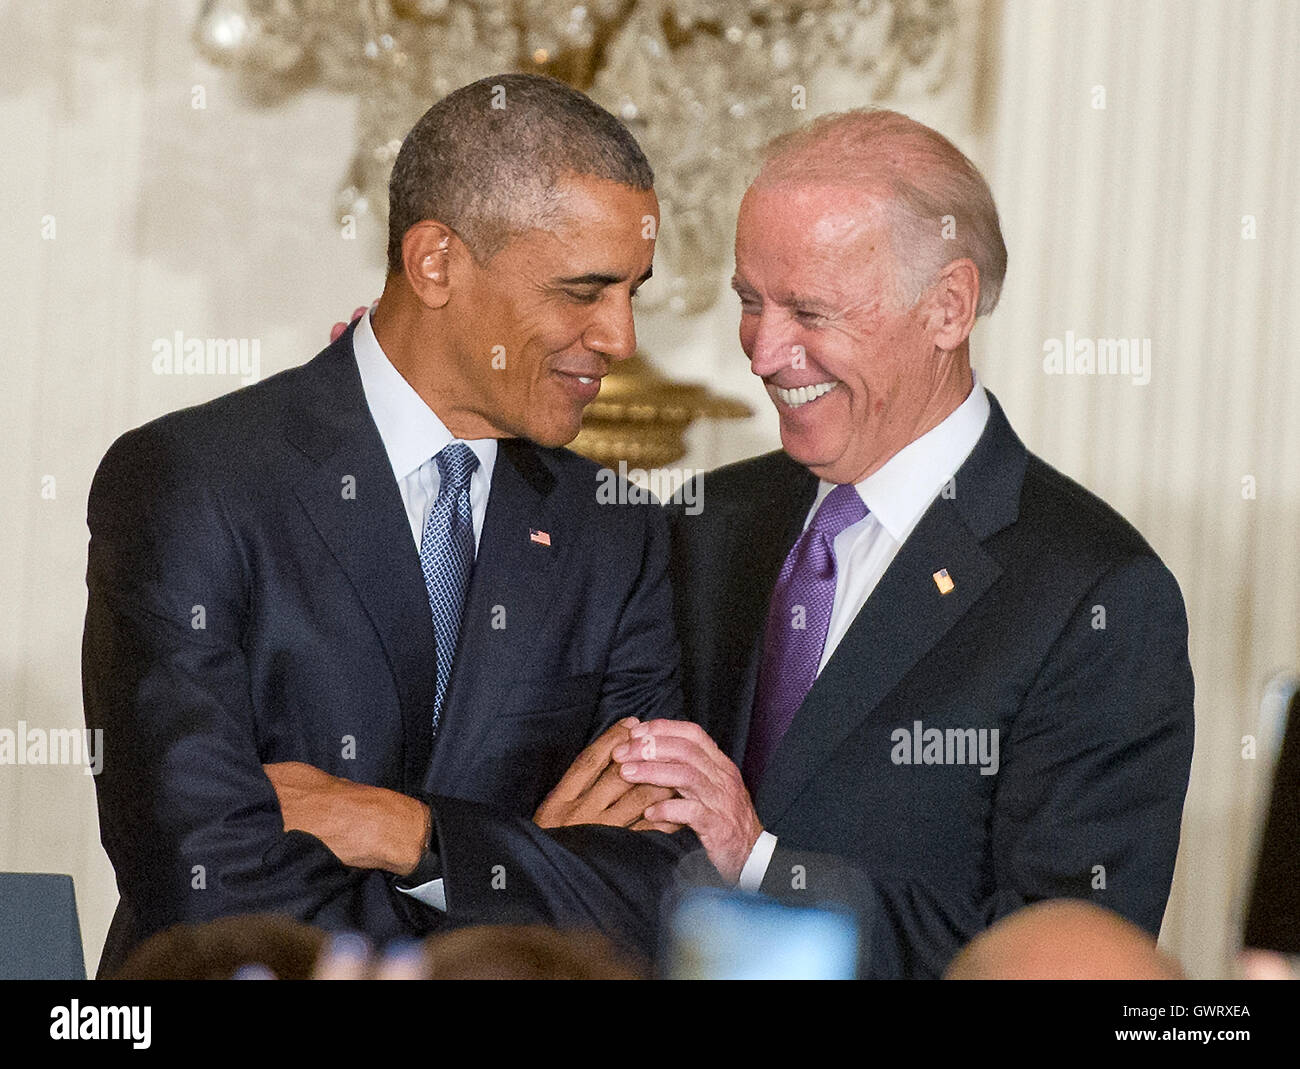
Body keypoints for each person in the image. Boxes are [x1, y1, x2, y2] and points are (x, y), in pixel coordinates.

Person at [82, 73, 689, 978]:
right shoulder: (192, 482)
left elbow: (652, 894)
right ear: (436, 261)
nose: (621, 337)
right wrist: (512, 884)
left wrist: (415, 834)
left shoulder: (618, 533)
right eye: (584, 290)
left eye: (633, 290)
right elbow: (203, 879)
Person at [613, 109, 1196, 977]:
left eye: (809, 309)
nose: (764, 352)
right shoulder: (704, 519)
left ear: (948, 307)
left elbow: (1062, 952)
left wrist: (765, 863)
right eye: (749, 301)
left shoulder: (1100, 596)